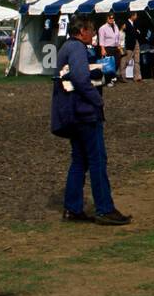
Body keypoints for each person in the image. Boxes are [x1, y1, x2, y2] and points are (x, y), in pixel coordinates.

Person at [52, 15, 130, 225]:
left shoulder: (66, 48)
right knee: (97, 160)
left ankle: (72, 208)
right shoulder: (77, 48)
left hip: (72, 112)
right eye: (91, 30)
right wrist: (98, 100)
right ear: (81, 31)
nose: (94, 33)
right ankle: (104, 208)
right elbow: (79, 77)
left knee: (79, 160)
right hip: (84, 113)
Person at [96, 13, 122, 86]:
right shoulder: (102, 28)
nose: (111, 19)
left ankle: (112, 77)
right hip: (107, 48)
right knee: (109, 65)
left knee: (117, 63)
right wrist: (102, 49)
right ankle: (108, 81)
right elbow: (101, 39)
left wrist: (119, 45)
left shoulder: (115, 26)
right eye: (110, 18)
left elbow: (118, 36)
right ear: (107, 19)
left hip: (116, 47)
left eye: (112, 18)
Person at [119, 11, 142, 83]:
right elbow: (126, 33)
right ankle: (122, 76)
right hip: (129, 45)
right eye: (135, 15)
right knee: (125, 60)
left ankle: (137, 76)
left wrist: (137, 32)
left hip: (136, 42)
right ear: (132, 16)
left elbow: (135, 32)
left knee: (137, 60)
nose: (136, 17)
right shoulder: (126, 23)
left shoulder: (135, 23)